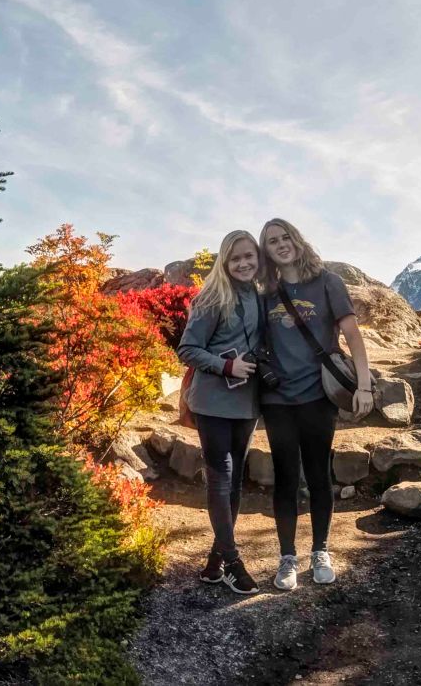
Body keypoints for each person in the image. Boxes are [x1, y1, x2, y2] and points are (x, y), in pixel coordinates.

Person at [258, 217, 373, 590]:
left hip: (317, 397)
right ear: (267, 251)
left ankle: (320, 550)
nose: (281, 244)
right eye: (272, 241)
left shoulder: (327, 282)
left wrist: (365, 385)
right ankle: (287, 556)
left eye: (285, 237)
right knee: (286, 478)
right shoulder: (265, 294)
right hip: (277, 400)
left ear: (297, 240)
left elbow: (352, 335)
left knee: (320, 475)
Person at [176, 230, 263, 595]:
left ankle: (215, 561)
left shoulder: (258, 295)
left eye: (249, 256)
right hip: (213, 402)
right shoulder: (212, 298)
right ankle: (232, 560)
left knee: (235, 478)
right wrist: (226, 367)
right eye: (235, 258)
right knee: (221, 475)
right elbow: (187, 349)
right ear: (224, 262)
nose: (243, 263)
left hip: (247, 403)